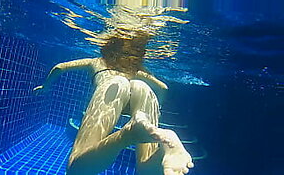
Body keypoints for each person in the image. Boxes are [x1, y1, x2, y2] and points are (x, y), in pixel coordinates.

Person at [34, 34, 194, 175]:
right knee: (147, 170)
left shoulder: (96, 61)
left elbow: (60, 67)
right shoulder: (136, 69)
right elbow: (163, 87)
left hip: (113, 89)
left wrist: (45, 86)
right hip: (142, 92)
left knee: (76, 168)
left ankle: (127, 135)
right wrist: (156, 109)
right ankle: (165, 143)